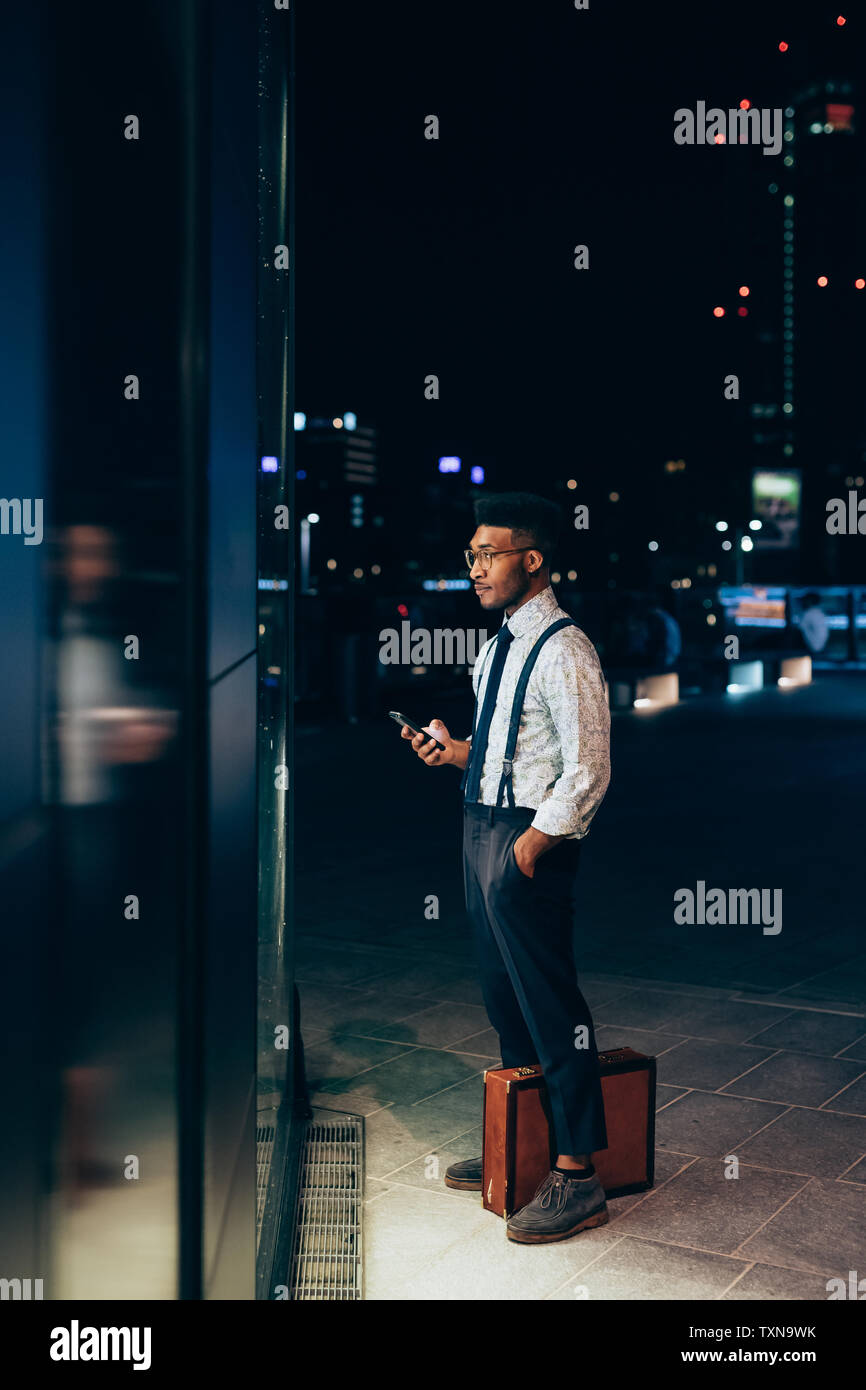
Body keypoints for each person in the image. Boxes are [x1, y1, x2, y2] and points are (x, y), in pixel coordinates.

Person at [399, 492, 611, 1244]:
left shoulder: (565, 647)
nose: (475, 568)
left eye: (488, 554)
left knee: (550, 1005)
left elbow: (587, 770)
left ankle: (579, 1174)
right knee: (504, 1000)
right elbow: (508, 754)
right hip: (479, 826)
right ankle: (521, 1142)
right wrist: (449, 750)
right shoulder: (496, 648)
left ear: (533, 559)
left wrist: (529, 846)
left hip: (529, 844)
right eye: (472, 555)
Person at [798, 592, 829, 657]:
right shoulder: (820, 613)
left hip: (811, 649)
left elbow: (800, 628)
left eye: (804, 600)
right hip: (820, 648)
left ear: (809, 601)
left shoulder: (808, 613)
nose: (802, 603)